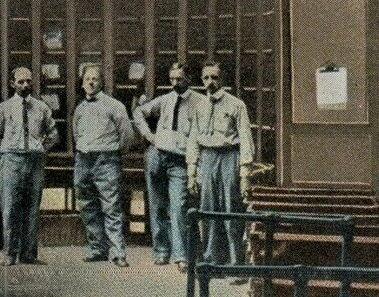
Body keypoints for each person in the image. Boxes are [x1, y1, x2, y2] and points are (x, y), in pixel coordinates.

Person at [132, 61, 208, 268]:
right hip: (157, 156)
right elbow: (138, 113)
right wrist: (149, 135)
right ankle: (162, 251)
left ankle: (181, 255)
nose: (174, 83)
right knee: (156, 205)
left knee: (178, 207)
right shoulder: (165, 99)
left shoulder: (200, 102)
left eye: (179, 79)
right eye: (172, 79)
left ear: (189, 79)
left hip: (180, 161)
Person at [187, 62, 255, 271]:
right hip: (207, 159)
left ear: (222, 79)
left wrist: (245, 173)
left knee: (230, 208)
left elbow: (245, 138)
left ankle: (236, 262)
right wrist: (192, 171)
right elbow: (193, 140)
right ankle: (210, 259)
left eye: (214, 77)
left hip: (229, 157)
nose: (210, 82)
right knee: (207, 209)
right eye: (206, 78)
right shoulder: (198, 106)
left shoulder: (236, 105)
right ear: (202, 80)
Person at [0, 66, 56, 266]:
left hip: (34, 161)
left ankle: (28, 254)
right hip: (11, 160)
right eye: (21, 81)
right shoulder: (4, 108)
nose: (25, 85)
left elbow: (53, 133)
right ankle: (9, 253)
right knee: (9, 208)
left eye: (28, 81)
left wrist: (41, 147)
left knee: (32, 208)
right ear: (12, 84)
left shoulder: (41, 107)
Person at [71, 63, 133, 267]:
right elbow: (75, 133)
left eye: (94, 79)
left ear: (102, 82)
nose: (90, 82)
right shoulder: (79, 109)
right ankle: (97, 248)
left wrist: (114, 153)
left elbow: (127, 135)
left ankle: (117, 252)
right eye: (87, 79)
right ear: (82, 83)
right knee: (87, 205)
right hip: (83, 159)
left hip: (106, 159)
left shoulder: (115, 106)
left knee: (111, 205)